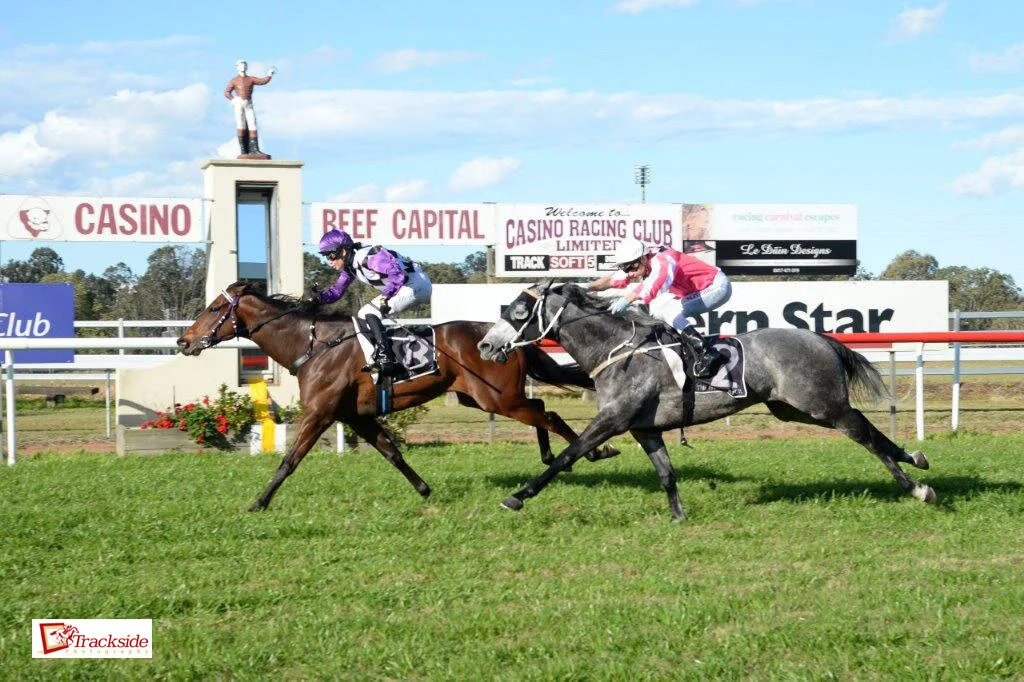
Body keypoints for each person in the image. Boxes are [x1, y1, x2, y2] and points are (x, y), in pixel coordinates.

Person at [588, 237, 732, 377]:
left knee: (669, 311)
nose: (630, 273)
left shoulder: (663, 260)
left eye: (632, 268)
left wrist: (626, 299)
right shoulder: (640, 260)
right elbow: (611, 280)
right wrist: (585, 288)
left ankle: (707, 351)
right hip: (699, 290)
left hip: (716, 287)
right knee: (658, 311)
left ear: (643, 259)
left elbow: (652, 286)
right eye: (626, 269)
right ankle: (685, 348)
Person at [311, 229, 433, 376]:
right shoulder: (350, 267)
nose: (329, 261)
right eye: (326, 257)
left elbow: (396, 274)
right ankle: (380, 356)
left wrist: (386, 295)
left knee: (369, 312)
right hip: (408, 285)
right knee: (363, 313)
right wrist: (319, 298)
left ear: (343, 251)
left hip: (416, 285)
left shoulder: (367, 256)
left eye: (330, 255)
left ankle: (386, 359)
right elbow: (337, 291)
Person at [224, 59, 275, 158]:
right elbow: (227, 92)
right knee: (241, 124)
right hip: (239, 103)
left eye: (244, 65)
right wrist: (233, 100)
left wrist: (269, 75)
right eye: (241, 65)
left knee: (252, 124)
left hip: (248, 103)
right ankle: (244, 150)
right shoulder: (234, 80)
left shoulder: (250, 79)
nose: (243, 67)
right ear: (237, 67)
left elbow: (262, 81)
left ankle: (255, 150)